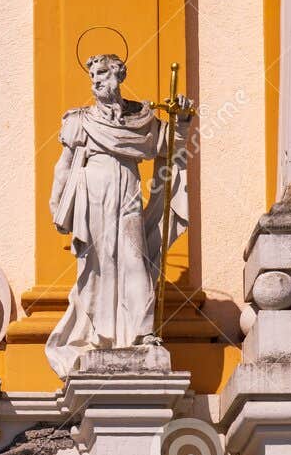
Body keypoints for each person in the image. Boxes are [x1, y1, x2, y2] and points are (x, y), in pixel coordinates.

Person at [45, 53, 192, 377]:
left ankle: (142, 334)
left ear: (118, 76)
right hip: (92, 197)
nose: (96, 80)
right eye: (92, 76)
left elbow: (173, 147)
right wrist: (57, 204)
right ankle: (100, 338)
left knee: (134, 259)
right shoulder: (80, 120)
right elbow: (64, 165)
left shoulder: (141, 119)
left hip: (127, 192)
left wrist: (180, 119)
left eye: (102, 73)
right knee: (98, 266)